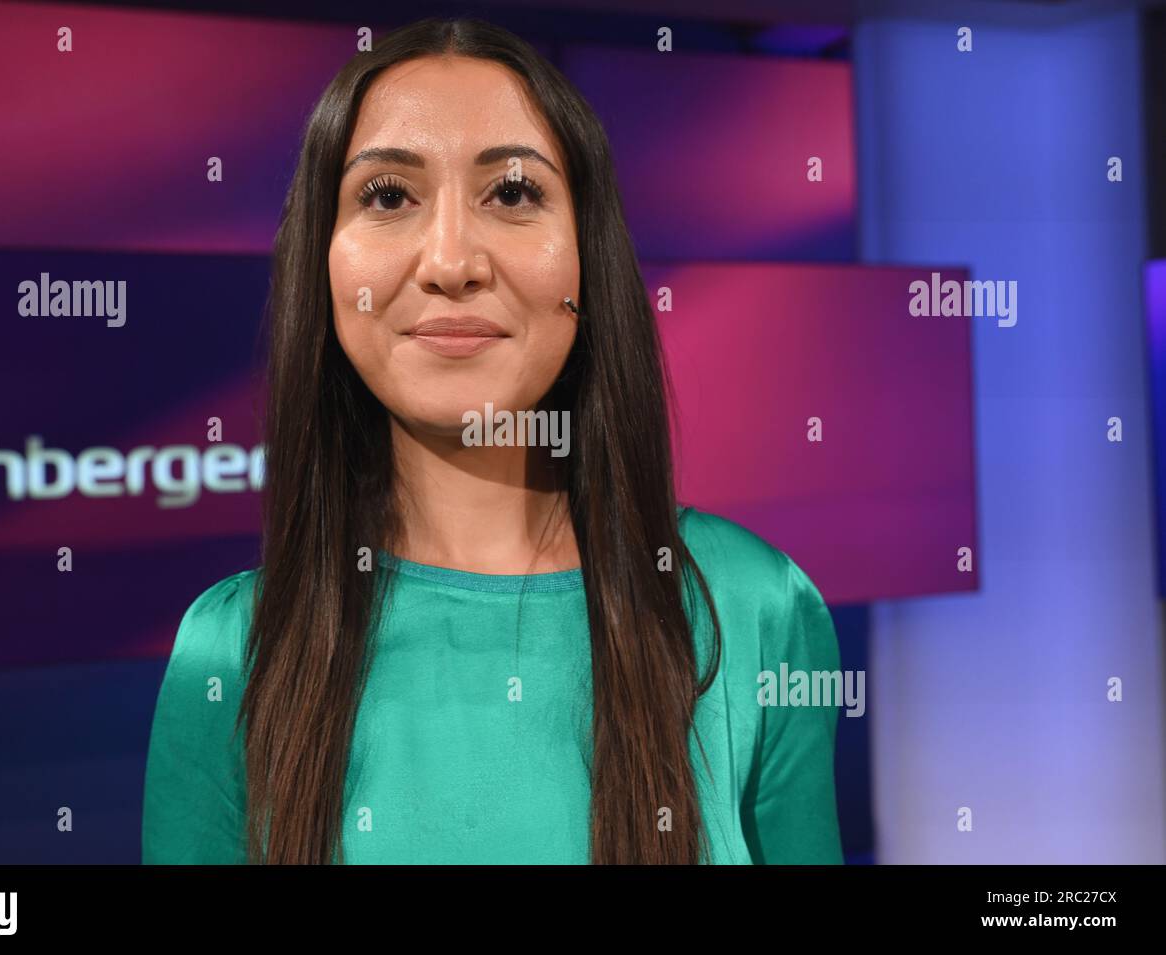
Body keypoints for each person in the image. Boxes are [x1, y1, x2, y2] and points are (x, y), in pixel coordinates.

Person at [142, 16, 843, 865]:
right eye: (388, 195)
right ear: (321, 262)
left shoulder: (753, 606)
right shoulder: (231, 650)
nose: (449, 260)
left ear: (587, 254)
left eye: (512, 193)